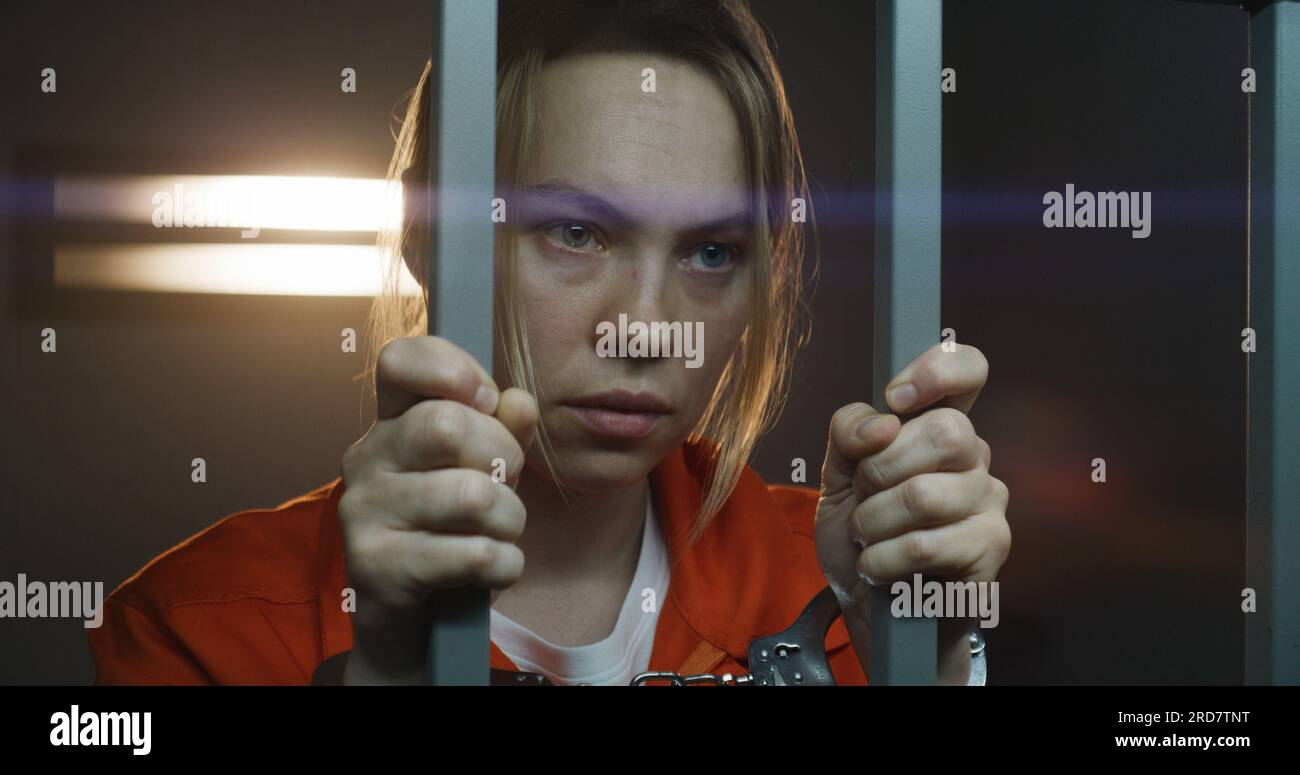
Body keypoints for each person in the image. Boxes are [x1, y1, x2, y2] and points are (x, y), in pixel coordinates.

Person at [89, 0, 1010, 686]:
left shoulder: (853, 578)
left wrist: (925, 662)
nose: (648, 325)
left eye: (712, 251)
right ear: (425, 236)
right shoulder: (200, 627)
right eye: (576, 232)